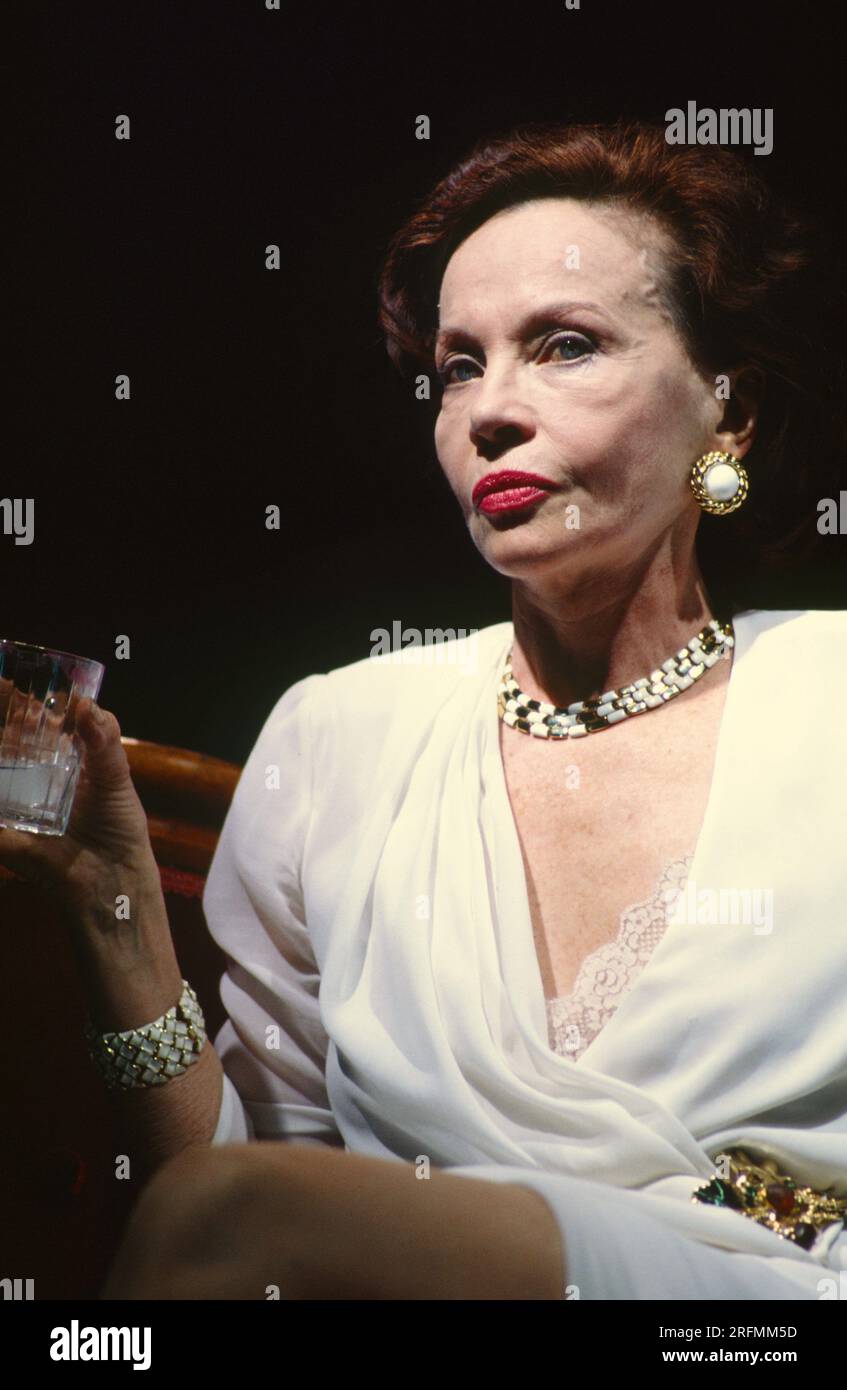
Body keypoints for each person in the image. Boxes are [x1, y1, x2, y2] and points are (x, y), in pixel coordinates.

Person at [2, 120, 846, 1301]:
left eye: (563, 346)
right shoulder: (340, 736)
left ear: (727, 407)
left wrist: (728, 1212)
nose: (489, 411)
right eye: (457, 366)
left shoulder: (831, 699)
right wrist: (111, 905)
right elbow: (237, 1199)